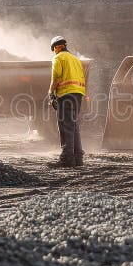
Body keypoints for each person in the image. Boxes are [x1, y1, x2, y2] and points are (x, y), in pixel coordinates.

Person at [47, 36, 86, 167]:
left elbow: (56, 78)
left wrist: (51, 93)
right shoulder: (75, 59)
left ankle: (67, 159)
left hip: (66, 95)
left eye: (53, 49)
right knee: (73, 126)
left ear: (56, 47)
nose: (54, 52)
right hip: (78, 95)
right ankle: (78, 158)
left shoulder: (58, 58)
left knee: (65, 127)